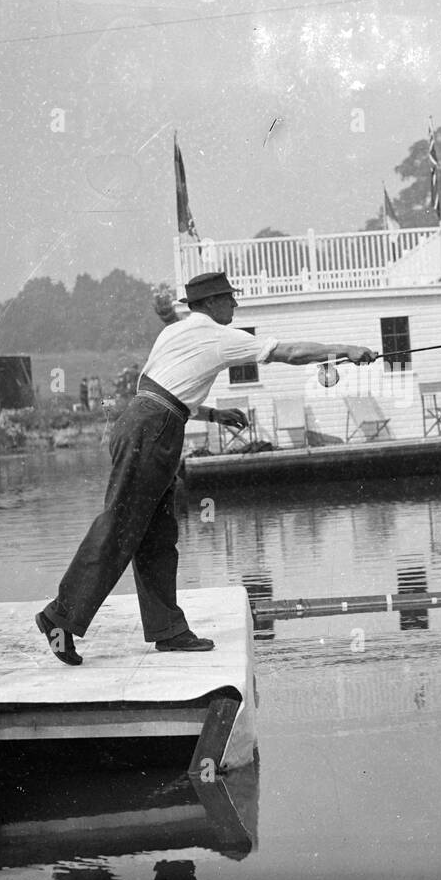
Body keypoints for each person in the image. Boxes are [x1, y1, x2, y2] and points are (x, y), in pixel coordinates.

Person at [35, 271, 375, 665]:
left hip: (148, 423)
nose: (234, 304)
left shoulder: (175, 333)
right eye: (230, 298)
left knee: (157, 534)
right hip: (154, 431)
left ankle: (167, 630)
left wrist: (212, 414)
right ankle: (59, 618)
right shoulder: (217, 334)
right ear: (211, 303)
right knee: (119, 526)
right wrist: (345, 348)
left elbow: (161, 390)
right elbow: (289, 353)